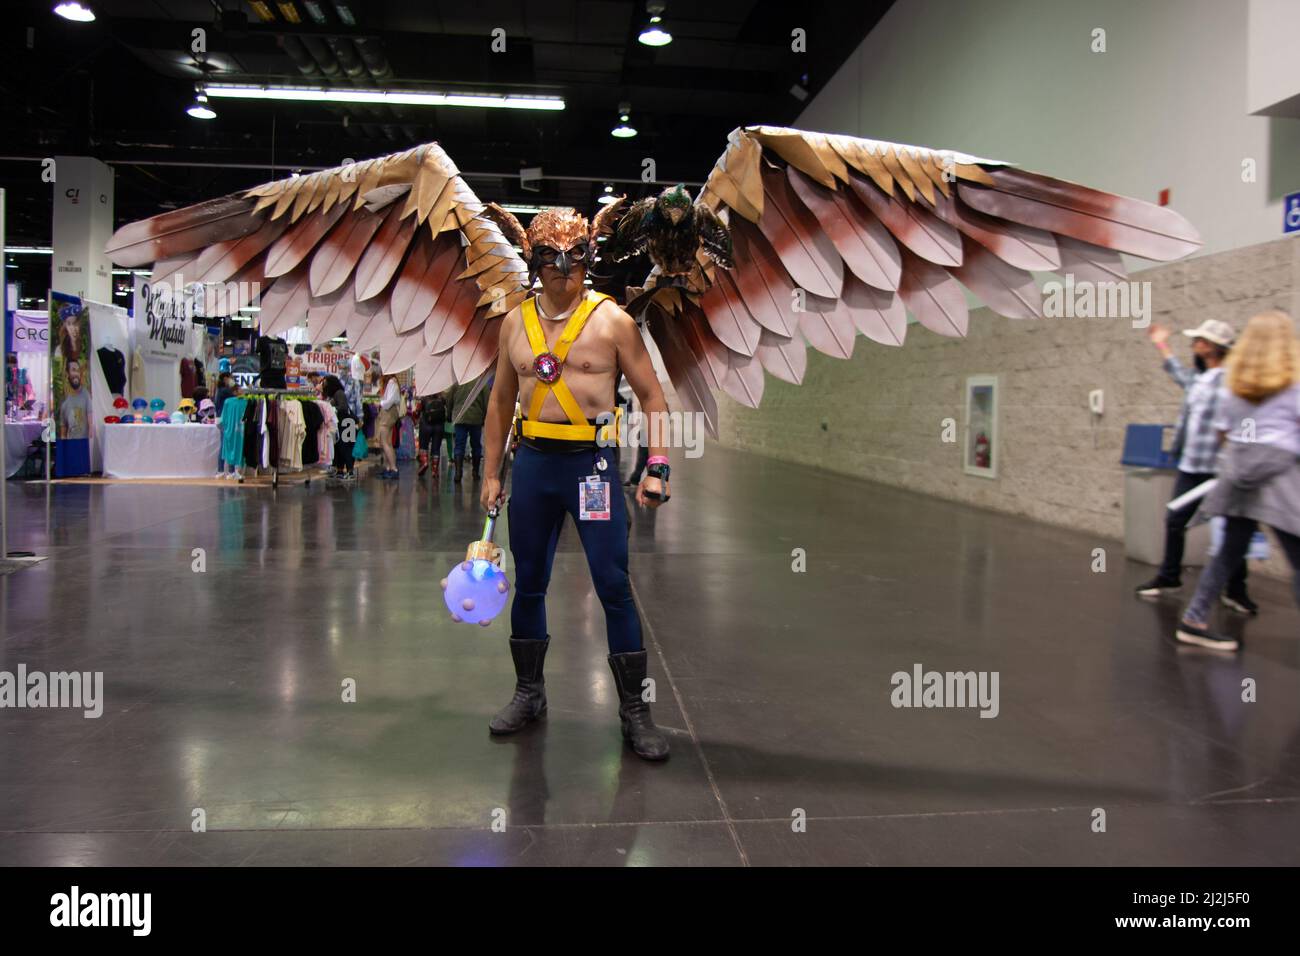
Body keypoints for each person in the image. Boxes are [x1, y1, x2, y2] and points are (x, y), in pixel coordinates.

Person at [479, 206, 673, 761]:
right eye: (549, 258)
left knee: (613, 584)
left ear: (590, 255)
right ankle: (529, 692)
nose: (563, 270)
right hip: (535, 464)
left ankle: (635, 710)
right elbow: (498, 401)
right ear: (533, 259)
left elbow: (653, 395)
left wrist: (657, 463)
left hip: (592, 465)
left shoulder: (612, 322)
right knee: (530, 581)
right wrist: (492, 472)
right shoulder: (514, 323)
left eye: (574, 257)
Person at [1176, 311, 1300, 650]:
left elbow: (1223, 431)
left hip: (1239, 474)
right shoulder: (1292, 384)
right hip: (1280, 478)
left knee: (1229, 550)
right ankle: (1194, 619)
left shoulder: (1234, 384)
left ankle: (1194, 619)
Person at [1135, 319, 1255, 613]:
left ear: (1214, 346)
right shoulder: (1199, 379)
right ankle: (1169, 577)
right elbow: (1175, 369)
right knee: (1175, 521)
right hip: (1191, 467)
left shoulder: (1233, 381)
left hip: (1219, 470)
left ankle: (1236, 590)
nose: (1194, 343)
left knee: (1231, 529)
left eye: (1200, 339)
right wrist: (1160, 343)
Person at [449, 377, 490, 483]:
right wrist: (485, 417)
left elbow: (449, 399)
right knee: (476, 445)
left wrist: (449, 415)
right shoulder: (482, 382)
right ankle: (475, 472)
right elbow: (487, 401)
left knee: (459, 445)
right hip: (476, 418)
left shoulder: (458, 381)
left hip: (460, 417)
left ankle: (458, 473)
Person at [321, 374, 356, 482]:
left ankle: (350, 471)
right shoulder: (334, 394)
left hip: (346, 424)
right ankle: (340, 470)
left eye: (325, 383)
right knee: (340, 448)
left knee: (345, 448)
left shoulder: (339, 393)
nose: (323, 385)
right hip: (342, 424)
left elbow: (343, 407)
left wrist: (331, 408)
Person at [376, 368, 402, 480]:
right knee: (387, 442)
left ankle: (393, 468)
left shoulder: (391, 382)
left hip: (388, 412)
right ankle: (389, 468)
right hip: (391, 412)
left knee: (385, 442)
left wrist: (380, 403)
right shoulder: (393, 381)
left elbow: (390, 400)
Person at [417, 391, 447, 479]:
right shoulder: (442, 397)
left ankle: (425, 462)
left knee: (423, 445)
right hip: (439, 426)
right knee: (436, 448)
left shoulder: (424, 397)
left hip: (426, 425)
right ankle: (435, 470)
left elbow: (418, 410)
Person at [58, 359, 90, 439]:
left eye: (78, 370)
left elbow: (91, 425)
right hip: (71, 445)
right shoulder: (64, 403)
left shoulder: (87, 395)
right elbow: (63, 431)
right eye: (73, 370)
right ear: (67, 374)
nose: (76, 373)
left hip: (85, 445)